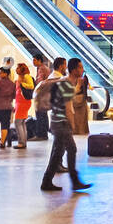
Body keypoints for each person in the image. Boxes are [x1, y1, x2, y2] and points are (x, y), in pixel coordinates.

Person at [40, 57, 91, 192]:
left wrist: (78, 86)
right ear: (74, 70)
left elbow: (67, 98)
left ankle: (46, 181)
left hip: (57, 122)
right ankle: (74, 182)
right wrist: (72, 124)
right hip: (62, 123)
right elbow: (68, 107)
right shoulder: (67, 83)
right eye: (80, 67)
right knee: (71, 149)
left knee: (58, 152)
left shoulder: (67, 83)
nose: (82, 69)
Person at [13, 63, 34, 149]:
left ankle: (21, 142)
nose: (16, 69)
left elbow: (31, 86)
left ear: (22, 69)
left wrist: (22, 84)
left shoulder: (26, 76)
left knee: (18, 122)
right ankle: (23, 142)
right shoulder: (21, 77)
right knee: (21, 123)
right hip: (20, 102)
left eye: (18, 68)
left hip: (23, 102)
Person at [32, 55, 51, 141]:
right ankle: (44, 133)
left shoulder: (42, 69)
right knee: (43, 114)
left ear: (40, 60)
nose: (33, 62)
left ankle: (41, 135)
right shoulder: (45, 68)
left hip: (41, 95)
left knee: (40, 114)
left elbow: (40, 82)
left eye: (35, 60)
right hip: (45, 94)